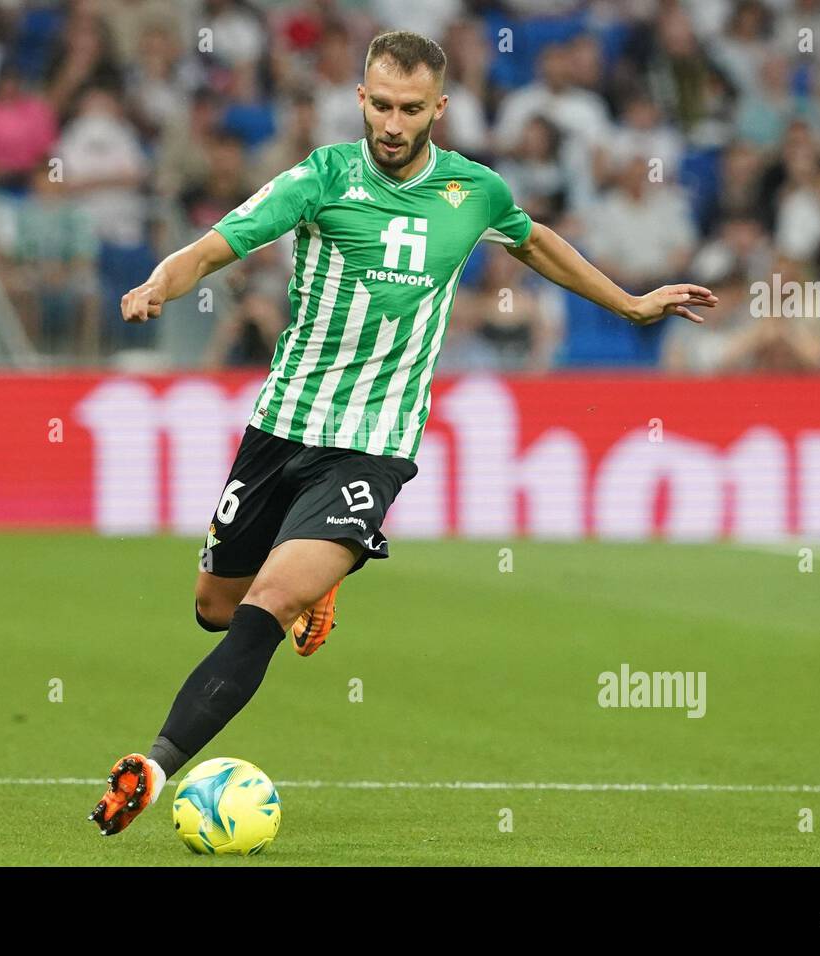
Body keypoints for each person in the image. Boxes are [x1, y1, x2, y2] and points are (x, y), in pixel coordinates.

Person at [89, 31, 718, 837]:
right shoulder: (322, 177)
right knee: (215, 606)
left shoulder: (475, 191)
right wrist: (157, 284)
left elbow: (536, 243)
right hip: (282, 426)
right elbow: (216, 246)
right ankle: (320, 583)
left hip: (377, 443)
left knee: (267, 605)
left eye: (411, 109)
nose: (393, 122)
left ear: (439, 109)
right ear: (361, 98)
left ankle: (153, 763)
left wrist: (629, 303)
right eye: (380, 104)